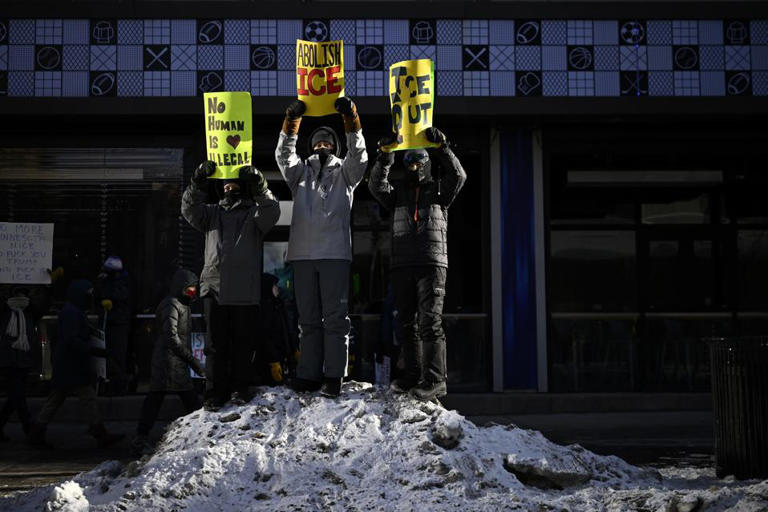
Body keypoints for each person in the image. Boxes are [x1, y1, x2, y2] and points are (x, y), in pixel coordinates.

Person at [274, 96, 368, 397]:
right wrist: (292, 123)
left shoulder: (346, 174)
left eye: (327, 142)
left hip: (334, 254)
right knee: (308, 319)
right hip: (302, 255)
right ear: (311, 146)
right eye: (317, 142)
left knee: (336, 319)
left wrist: (351, 119)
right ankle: (309, 374)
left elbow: (360, 156)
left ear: (335, 146)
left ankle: (334, 376)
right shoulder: (299, 172)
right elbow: (283, 155)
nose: (322, 145)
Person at [368, 127, 467, 401]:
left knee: (430, 323)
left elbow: (458, 176)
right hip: (401, 264)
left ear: (426, 165)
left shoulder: (439, 192)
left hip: (431, 263)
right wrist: (385, 154)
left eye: (418, 162)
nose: (413, 167)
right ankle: (412, 374)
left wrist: (442, 147)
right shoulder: (397, 194)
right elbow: (375, 185)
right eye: (409, 162)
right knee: (406, 324)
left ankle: (435, 379)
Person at [181, 163, 280, 411]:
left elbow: (272, 210)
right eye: (225, 182)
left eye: (234, 182)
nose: (228, 186)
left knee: (243, 344)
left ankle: (240, 388)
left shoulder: (255, 214)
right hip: (215, 288)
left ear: (243, 186)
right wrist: (198, 181)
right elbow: (188, 209)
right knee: (214, 346)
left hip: (245, 292)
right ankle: (214, 392)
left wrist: (260, 185)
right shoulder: (211, 213)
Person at [27, 279, 124, 448]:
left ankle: (38, 431)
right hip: (73, 364)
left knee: (58, 399)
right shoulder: (73, 312)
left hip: (69, 364)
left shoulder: (73, 311)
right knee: (85, 398)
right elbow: (72, 339)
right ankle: (98, 432)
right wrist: (94, 350)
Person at [130, 269, 203, 456]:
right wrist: (192, 360)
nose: (193, 292)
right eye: (190, 289)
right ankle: (141, 438)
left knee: (165, 399)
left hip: (174, 362)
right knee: (172, 399)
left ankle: (142, 436)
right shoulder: (172, 304)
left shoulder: (182, 305)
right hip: (167, 362)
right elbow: (171, 337)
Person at [0, 278, 57, 441]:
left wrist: (47, 287)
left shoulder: (30, 310)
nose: (21, 296)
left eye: (24, 293)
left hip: (23, 358)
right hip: (9, 358)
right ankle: (29, 428)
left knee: (15, 396)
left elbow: (44, 306)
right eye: (18, 292)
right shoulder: (5, 309)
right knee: (18, 396)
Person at [94, 256, 134, 395]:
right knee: (107, 355)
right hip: (109, 322)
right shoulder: (105, 281)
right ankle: (108, 382)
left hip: (118, 323)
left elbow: (120, 295)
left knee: (117, 355)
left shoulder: (123, 282)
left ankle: (118, 385)